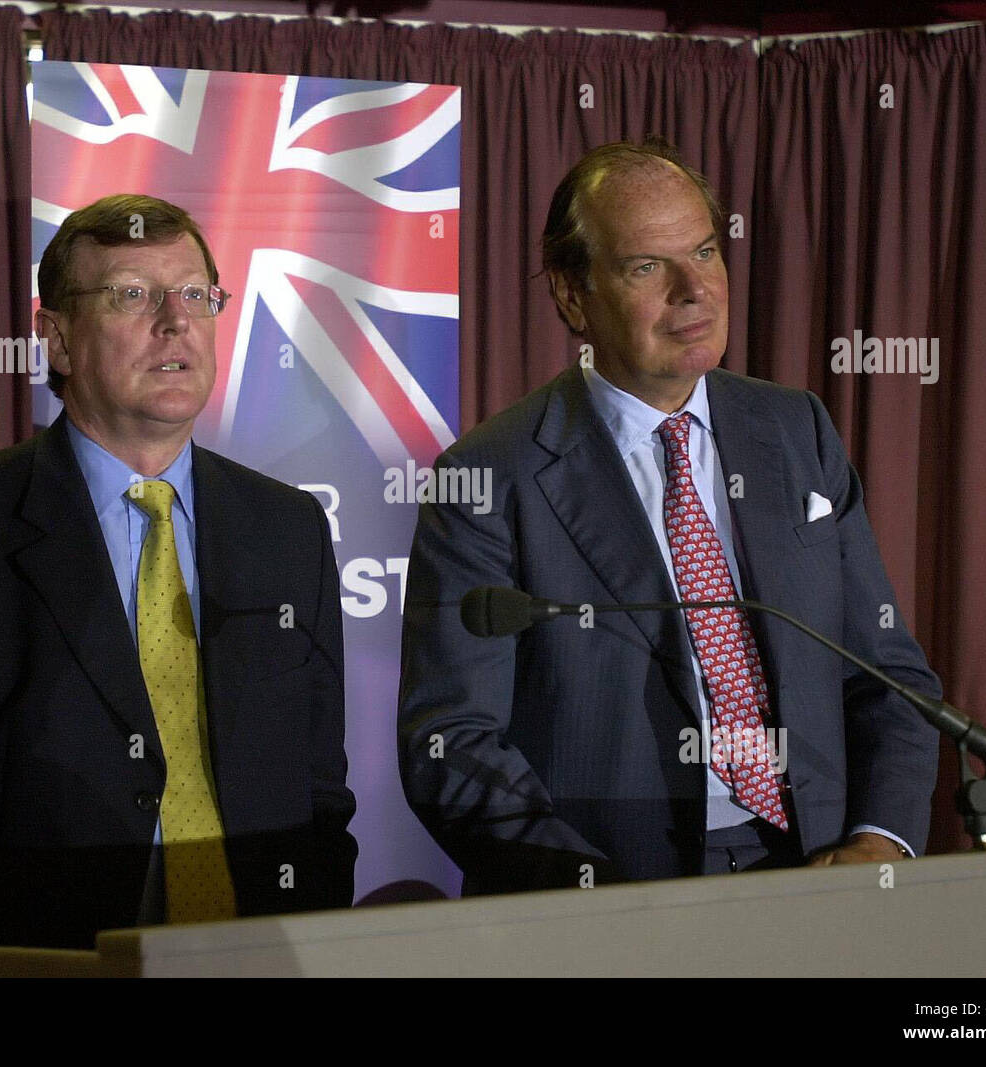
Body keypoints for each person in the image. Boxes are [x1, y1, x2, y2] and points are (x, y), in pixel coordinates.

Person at [0, 194, 356, 977]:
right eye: (133, 294)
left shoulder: (288, 526)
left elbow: (320, 801)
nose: (175, 321)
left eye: (196, 294)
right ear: (56, 336)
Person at [398, 139, 940, 893]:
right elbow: (453, 742)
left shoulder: (798, 430)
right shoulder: (489, 477)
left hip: (820, 875)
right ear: (571, 294)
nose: (695, 289)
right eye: (647, 266)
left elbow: (891, 677)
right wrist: (593, 893)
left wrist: (879, 842)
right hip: (610, 902)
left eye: (707, 251)